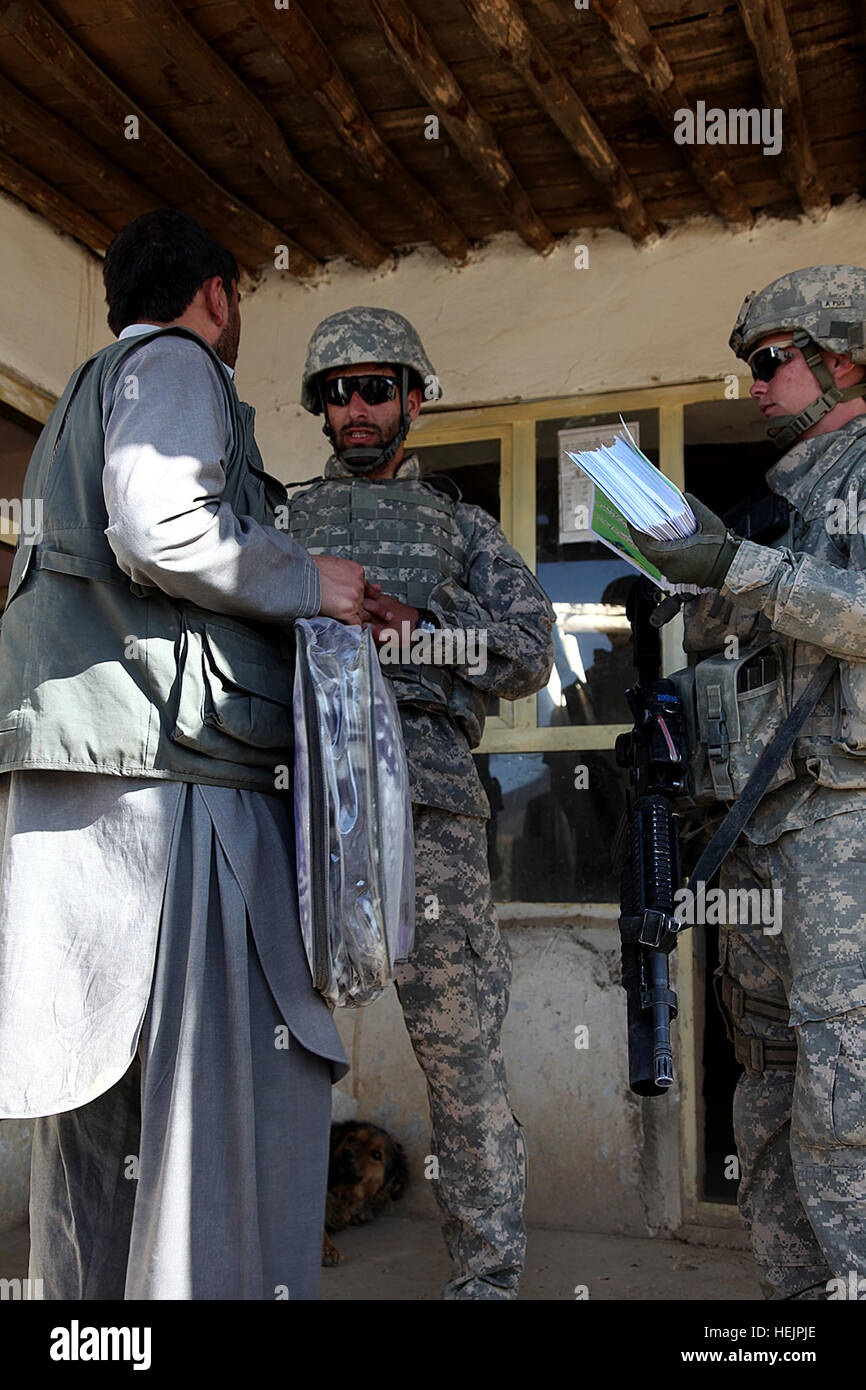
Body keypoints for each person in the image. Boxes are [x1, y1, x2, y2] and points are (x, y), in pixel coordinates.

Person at [0, 209, 368, 1300]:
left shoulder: (86, 388)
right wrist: (315, 580)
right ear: (214, 293)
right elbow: (160, 525)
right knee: (219, 1103)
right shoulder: (177, 362)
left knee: (100, 1121)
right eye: (239, 297)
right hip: (171, 784)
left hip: (91, 775)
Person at [286, 307, 555, 1299]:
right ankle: (264, 1261)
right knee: (267, 1055)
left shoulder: (461, 527)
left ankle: (484, 1284)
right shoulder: (279, 522)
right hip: (298, 807)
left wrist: (423, 625)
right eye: (336, 390)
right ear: (320, 406)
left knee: (461, 1067)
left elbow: (531, 653)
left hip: (429, 819)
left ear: (409, 397)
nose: (355, 409)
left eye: (374, 387)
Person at [629, 265, 866, 1299]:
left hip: (842, 824)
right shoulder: (771, 500)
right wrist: (689, 584)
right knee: (764, 1087)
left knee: (844, 1096)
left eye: (768, 362)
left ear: (839, 355)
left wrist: (741, 569)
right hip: (754, 829)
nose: (753, 386)